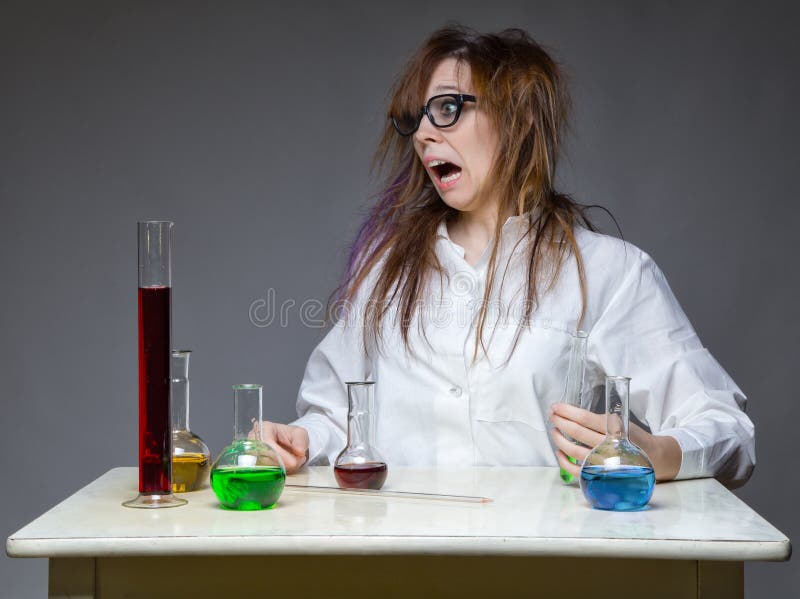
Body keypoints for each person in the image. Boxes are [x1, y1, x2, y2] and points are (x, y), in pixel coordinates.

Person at [260, 25, 755, 489]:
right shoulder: (384, 271)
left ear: (520, 116)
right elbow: (332, 415)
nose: (424, 135)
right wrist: (303, 441)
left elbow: (727, 432)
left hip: (547, 569)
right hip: (402, 564)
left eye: (448, 108)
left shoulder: (611, 272)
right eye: (416, 118)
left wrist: (651, 452)